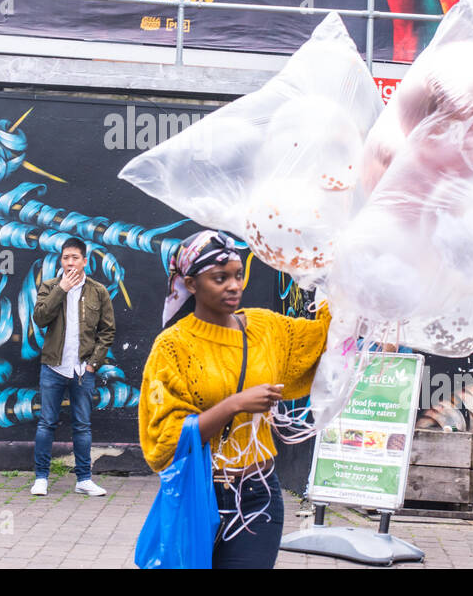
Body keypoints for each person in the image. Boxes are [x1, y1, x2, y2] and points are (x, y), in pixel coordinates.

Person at [138, 230, 332, 569]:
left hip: (259, 495)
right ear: (192, 284)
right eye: (220, 278)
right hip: (198, 495)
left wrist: (339, 280)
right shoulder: (172, 348)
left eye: (238, 275)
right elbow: (163, 439)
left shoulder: (265, 329)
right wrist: (234, 405)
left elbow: (322, 344)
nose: (233, 285)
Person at [29, 236, 115, 497]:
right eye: (65, 257)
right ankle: (41, 478)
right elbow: (40, 317)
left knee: (82, 425)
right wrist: (62, 289)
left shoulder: (98, 291)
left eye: (75, 257)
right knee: (46, 423)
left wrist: (93, 365)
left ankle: (84, 479)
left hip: (82, 371)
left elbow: (107, 331)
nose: (69, 262)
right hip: (53, 368)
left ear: (84, 261)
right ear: (61, 260)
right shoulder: (49, 286)